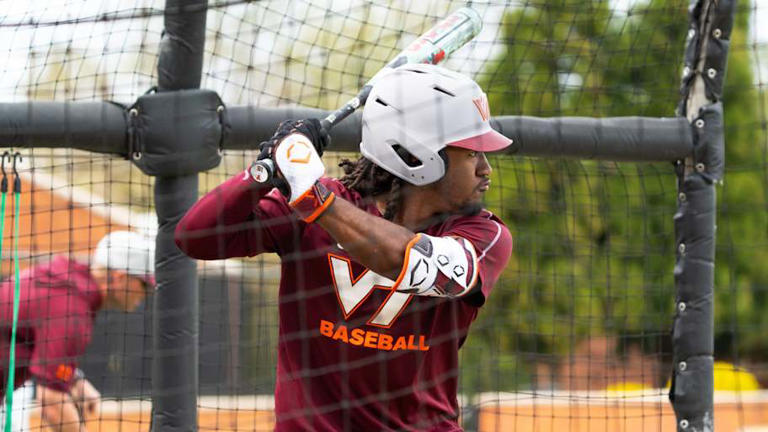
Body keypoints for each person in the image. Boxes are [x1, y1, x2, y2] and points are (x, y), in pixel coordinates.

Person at [175, 63, 513, 431]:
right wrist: (266, 168)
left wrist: (314, 199)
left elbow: (413, 262)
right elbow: (195, 236)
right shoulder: (318, 202)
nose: (486, 169)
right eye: (472, 153)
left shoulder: (483, 233)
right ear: (418, 155)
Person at [0, 231, 155, 432]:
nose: (146, 293)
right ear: (119, 277)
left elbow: (28, 334)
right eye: (144, 284)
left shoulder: (63, 278)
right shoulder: (72, 309)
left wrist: (73, 380)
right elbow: (51, 403)